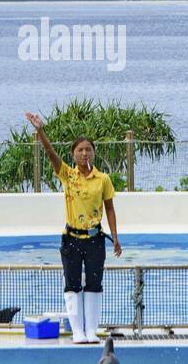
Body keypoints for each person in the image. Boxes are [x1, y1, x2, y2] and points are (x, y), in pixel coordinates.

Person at [26, 112, 122, 343]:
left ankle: (92, 330)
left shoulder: (103, 179)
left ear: (94, 152)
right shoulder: (68, 175)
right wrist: (40, 131)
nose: (84, 153)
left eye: (88, 149)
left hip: (95, 238)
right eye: (79, 150)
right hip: (71, 238)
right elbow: (50, 154)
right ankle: (78, 331)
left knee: (94, 283)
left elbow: (109, 208)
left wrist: (116, 238)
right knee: (72, 284)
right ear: (73, 154)